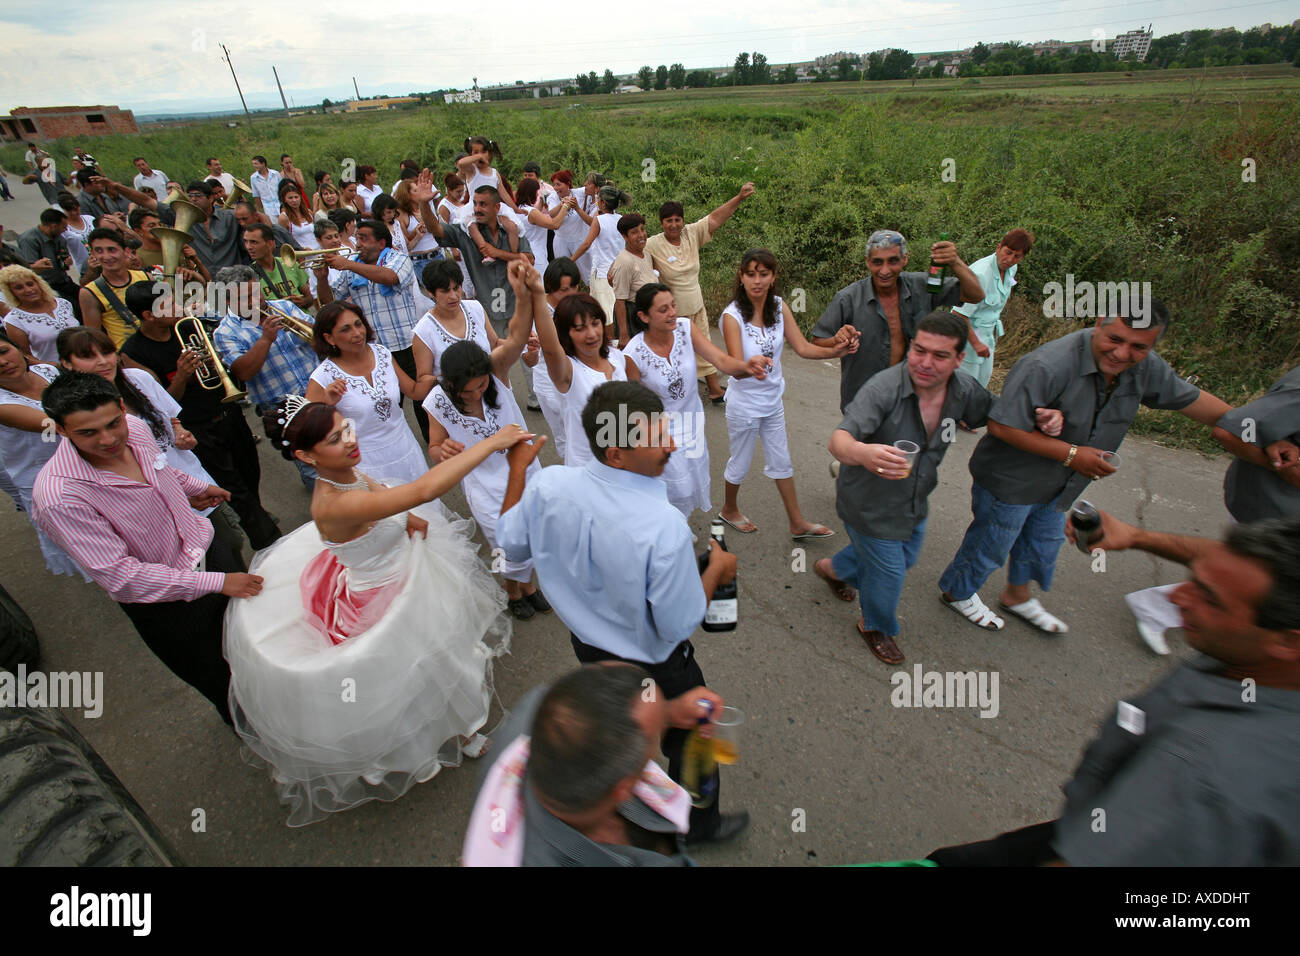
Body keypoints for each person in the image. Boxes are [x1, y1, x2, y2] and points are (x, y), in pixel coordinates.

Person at [929, 511, 1300, 866]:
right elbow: (1235, 571)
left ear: (1287, 642)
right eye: (1195, 580)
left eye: (1209, 599)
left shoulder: (1203, 771)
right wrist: (1138, 537)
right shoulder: (1266, 648)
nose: (1177, 597)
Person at [224, 399, 527, 825]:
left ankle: (460, 724)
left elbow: (382, 495)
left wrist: (404, 519)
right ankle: (430, 739)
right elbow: (423, 490)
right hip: (377, 597)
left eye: (346, 427)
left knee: (443, 652)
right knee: (412, 672)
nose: (351, 440)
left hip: (403, 567)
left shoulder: (346, 475)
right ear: (305, 456)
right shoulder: (331, 504)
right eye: (335, 438)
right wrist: (494, 442)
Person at [497, 380, 748, 845]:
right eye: (656, 439)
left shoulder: (549, 485)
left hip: (589, 648)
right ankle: (697, 825)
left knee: (618, 726)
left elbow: (510, 543)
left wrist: (518, 473)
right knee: (694, 731)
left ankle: (627, 792)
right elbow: (677, 623)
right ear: (615, 453)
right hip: (656, 661)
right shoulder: (663, 528)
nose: (671, 443)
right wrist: (716, 571)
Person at [938, 305, 1233, 634]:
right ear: (1097, 325)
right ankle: (958, 592)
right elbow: (1002, 426)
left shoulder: (1145, 366)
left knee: (1043, 542)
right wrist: (1072, 454)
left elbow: (1191, 400)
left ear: (1152, 347)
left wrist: (1252, 428)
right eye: (1115, 339)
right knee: (992, 542)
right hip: (1012, 481)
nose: (1122, 354)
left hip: (1062, 484)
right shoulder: (1047, 365)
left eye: (1139, 347)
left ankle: (1016, 595)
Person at [826, 312, 1070, 663]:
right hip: (869, 502)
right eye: (919, 350)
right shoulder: (884, 387)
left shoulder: (964, 389)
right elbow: (839, 439)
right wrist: (862, 452)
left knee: (905, 557)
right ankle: (875, 626)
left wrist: (1043, 415)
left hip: (914, 498)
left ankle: (833, 569)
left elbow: (1001, 415)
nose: (925, 363)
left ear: (959, 359)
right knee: (889, 572)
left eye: (940, 356)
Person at [33, 372, 259, 723]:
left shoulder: (136, 429)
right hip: (172, 607)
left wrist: (191, 486)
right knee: (225, 683)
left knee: (258, 649)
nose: (108, 440)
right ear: (61, 430)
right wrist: (217, 583)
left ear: (123, 407)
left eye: (113, 424)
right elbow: (122, 578)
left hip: (213, 556)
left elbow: (161, 470)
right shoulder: (60, 498)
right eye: (88, 433)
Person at [464, 664, 722, 866]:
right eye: (650, 752)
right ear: (623, 791)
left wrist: (667, 711)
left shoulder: (542, 709)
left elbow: (639, 691)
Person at [1124, 366, 1300, 656]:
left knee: (1262, 579)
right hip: (1271, 507)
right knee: (1256, 576)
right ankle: (1159, 607)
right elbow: (1231, 430)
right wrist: (1285, 471)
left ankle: (1162, 608)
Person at [55, 325, 246, 563]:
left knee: (232, 543)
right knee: (202, 568)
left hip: (195, 483)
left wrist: (179, 430)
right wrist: (175, 497)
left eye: (107, 352)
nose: (103, 362)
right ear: (67, 363)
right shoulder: (77, 412)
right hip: (159, 509)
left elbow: (168, 414)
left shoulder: (139, 379)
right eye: (88, 356)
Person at [425, 263, 548, 620]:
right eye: (469, 390)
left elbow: (518, 334)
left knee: (531, 530)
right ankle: (513, 591)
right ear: (449, 385)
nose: (479, 392)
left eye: (482, 385)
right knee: (503, 543)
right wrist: (441, 450)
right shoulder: (435, 401)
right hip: (484, 484)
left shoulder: (495, 371)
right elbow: (435, 448)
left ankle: (530, 586)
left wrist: (523, 293)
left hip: (525, 470)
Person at [122, 282, 282, 551]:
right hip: (197, 428)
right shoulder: (134, 353)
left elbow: (223, 369)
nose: (176, 307)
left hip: (227, 412)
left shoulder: (186, 327)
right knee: (233, 486)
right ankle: (268, 540)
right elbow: (158, 405)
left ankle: (254, 517)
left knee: (249, 473)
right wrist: (183, 375)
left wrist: (213, 363)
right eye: (167, 304)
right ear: (148, 315)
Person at [718, 249, 854, 538]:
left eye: (763, 274)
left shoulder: (779, 306)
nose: (757, 281)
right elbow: (733, 366)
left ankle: (797, 522)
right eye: (751, 274)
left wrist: (837, 349)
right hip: (744, 403)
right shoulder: (732, 316)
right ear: (741, 277)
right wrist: (748, 366)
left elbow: (803, 347)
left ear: (773, 277)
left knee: (782, 460)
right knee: (740, 462)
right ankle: (729, 509)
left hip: (772, 400)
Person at [624, 283, 770, 519]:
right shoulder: (633, 353)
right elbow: (632, 404)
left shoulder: (685, 328)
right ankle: (669, 533)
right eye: (663, 310)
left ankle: (679, 526)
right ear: (643, 316)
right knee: (674, 488)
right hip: (662, 433)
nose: (672, 313)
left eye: (673, 305)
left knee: (691, 482)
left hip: (692, 424)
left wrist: (746, 366)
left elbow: (719, 360)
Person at [810, 229, 983, 414]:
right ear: (868, 262)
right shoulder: (848, 298)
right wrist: (838, 340)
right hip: (863, 401)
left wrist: (954, 262)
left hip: (912, 400)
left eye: (892, 261)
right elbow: (818, 340)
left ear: (904, 259)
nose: (885, 270)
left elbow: (975, 295)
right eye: (878, 262)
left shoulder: (923, 287)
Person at [645, 183, 756, 404]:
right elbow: (635, 263)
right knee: (675, 355)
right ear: (661, 223)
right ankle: (674, 395)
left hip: (696, 306)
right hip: (673, 315)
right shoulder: (652, 245)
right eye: (669, 221)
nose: (674, 225)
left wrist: (740, 197)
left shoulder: (692, 234)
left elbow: (716, 218)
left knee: (705, 346)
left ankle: (714, 390)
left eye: (678, 220)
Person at [212, 265, 319, 488]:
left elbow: (320, 340)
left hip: (320, 391)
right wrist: (265, 339)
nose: (255, 300)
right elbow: (243, 371)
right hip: (283, 408)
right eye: (246, 297)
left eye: (256, 292)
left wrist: (303, 327)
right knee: (314, 470)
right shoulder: (225, 332)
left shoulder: (284, 307)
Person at [316, 219, 425, 440]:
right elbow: (329, 303)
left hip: (406, 344)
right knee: (386, 404)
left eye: (364, 238)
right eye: (357, 238)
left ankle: (433, 442)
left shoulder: (398, 258)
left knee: (422, 401)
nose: (358, 243)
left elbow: (390, 277)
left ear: (382, 242)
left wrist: (348, 264)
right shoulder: (353, 266)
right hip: (374, 351)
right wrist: (322, 280)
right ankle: (392, 440)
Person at [306, 302, 433, 486]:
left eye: (358, 324)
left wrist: (438, 376)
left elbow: (414, 391)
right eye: (346, 329)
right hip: (366, 464)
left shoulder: (382, 353)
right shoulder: (323, 377)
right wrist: (327, 403)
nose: (357, 333)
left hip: (406, 449)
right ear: (329, 338)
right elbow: (310, 433)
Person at [0, 334, 88, 578]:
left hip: (86, 460)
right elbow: (55, 426)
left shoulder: (47, 370)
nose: (3, 362)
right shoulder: (2, 406)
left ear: (18, 349)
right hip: (46, 477)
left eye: (4, 351)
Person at [413, 173, 532, 337]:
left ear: (496, 207)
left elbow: (529, 259)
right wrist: (424, 204)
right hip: (488, 313)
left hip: (518, 307)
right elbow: (437, 229)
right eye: (475, 204)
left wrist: (498, 253)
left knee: (529, 358)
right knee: (497, 358)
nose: (477, 209)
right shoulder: (466, 232)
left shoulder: (511, 228)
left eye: (483, 204)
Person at [532, 292, 636, 468]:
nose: (592, 334)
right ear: (566, 334)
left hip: (626, 465)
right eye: (580, 329)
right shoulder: (568, 372)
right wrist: (535, 293)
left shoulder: (616, 358)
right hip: (587, 470)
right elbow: (550, 349)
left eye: (595, 324)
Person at [953, 229, 1034, 389]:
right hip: (967, 338)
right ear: (998, 248)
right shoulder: (981, 274)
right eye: (1008, 252)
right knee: (964, 389)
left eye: (1017, 256)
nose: (1010, 259)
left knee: (981, 387)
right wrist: (976, 344)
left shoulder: (1011, 269)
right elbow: (958, 315)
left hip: (988, 336)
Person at [569, 185, 632, 334]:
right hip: (619, 272)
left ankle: (609, 345)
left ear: (603, 203)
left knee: (605, 314)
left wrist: (571, 260)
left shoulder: (599, 221)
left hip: (602, 273)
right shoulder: (622, 219)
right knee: (615, 311)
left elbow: (586, 244)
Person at [78, 228, 151, 348]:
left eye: (112, 250)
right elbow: (95, 336)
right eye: (99, 251)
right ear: (93, 254)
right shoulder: (89, 293)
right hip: (127, 357)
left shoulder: (146, 277)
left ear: (126, 251)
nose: (106, 256)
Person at [0, 264, 78, 364]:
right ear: (11, 292)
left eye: (30, 284)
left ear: (39, 283)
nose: (28, 290)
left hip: (86, 365)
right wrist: (55, 367)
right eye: (19, 288)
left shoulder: (63, 303)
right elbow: (25, 356)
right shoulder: (14, 320)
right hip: (56, 372)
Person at [18, 209, 82, 314]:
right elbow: (27, 269)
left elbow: (63, 261)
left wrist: (66, 262)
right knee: (75, 309)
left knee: (87, 298)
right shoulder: (29, 239)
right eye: (63, 227)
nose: (65, 230)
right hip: (48, 286)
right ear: (53, 226)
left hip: (64, 281)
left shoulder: (59, 238)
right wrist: (36, 266)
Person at [607, 213, 657, 343]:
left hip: (648, 316)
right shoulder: (624, 262)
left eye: (643, 229)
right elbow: (620, 301)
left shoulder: (646, 254)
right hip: (632, 319)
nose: (641, 235)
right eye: (634, 232)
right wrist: (624, 334)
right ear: (625, 236)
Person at [244, 223, 313, 312]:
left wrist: (303, 302)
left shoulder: (290, 263)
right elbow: (251, 312)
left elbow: (310, 298)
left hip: (303, 319)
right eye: (246, 241)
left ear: (270, 244)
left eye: (254, 242)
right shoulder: (249, 275)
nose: (248, 247)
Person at [512, 178, 573, 277]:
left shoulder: (518, 210)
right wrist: (565, 206)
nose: (537, 195)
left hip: (524, 254)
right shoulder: (531, 212)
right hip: (537, 257)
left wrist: (541, 203)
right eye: (537, 192)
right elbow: (555, 224)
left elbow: (533, 219)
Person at [183, 181, 246, 273]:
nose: (193, 199)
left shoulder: (231, 217)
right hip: (203, 280)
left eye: (198, 196)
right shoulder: (185, 219)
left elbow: (254, 218)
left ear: (211, 198)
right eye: (190, 196)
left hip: (234, 278)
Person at [278, 180, 319, 253]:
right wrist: (301, 249)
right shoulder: (284, 217)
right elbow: (283, 241)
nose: (294, 200)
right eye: (290, 198)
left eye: (296, 197)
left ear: (300, 197)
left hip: (318, 250)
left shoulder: (308, 212)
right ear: (285, 200)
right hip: (302, 254)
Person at [58, 195, 95, 276]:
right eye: (69, 211)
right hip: (84, 265)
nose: (74, 213)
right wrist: (66, 259)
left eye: (76, 209)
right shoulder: (64, 228)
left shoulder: (90, 219)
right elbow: (61, 248)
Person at [249, 155, 283, 220]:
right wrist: (259, 210)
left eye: (256, 163)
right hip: (268, 208)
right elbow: (256, 195)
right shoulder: (253, 178)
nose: (254, 166)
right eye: (253, 164)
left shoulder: (275, 174)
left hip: (281, 204)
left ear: (263, 163)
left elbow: (283, 188)